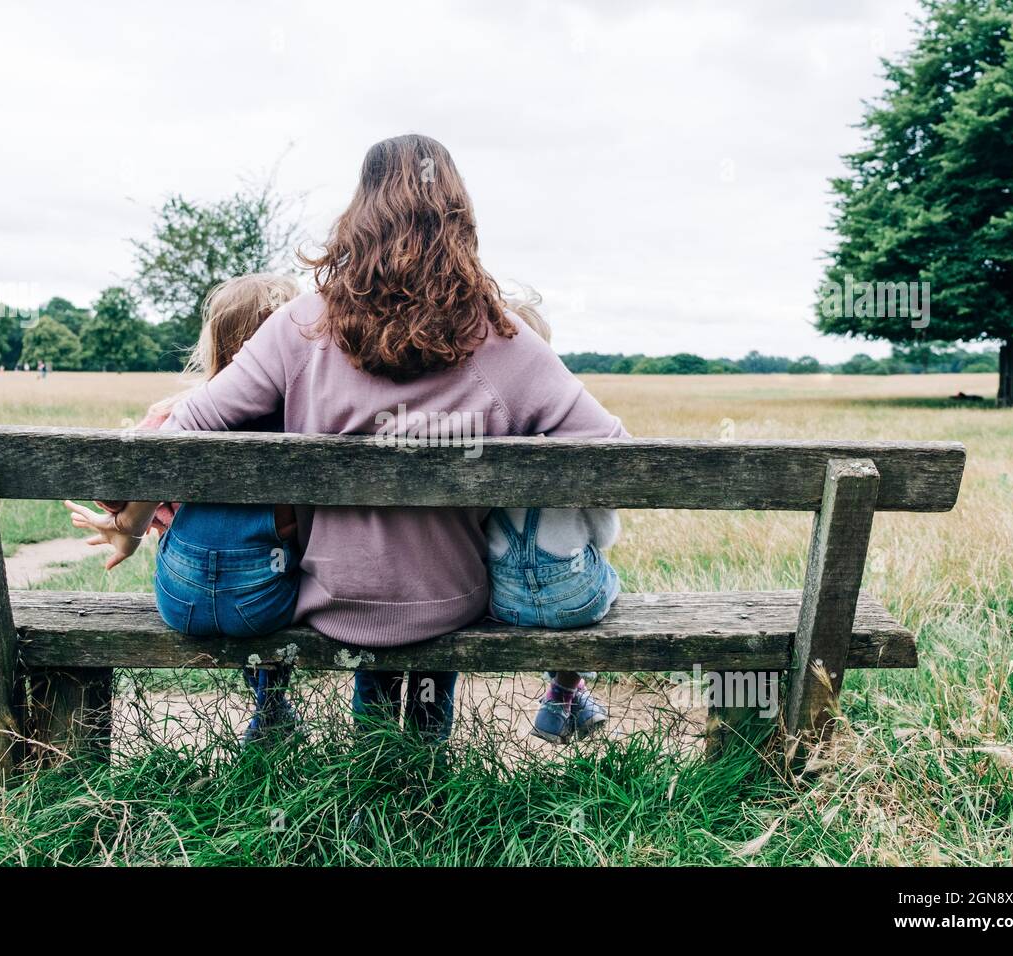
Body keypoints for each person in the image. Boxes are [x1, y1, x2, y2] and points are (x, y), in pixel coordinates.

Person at [80, 135, 626, 742]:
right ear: (459, 221)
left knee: (373, 652)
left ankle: (369, 777)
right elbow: (615, 457)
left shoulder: (298, 326)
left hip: (333, 598)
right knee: (423, 653)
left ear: (358, 217)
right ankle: (423, 780)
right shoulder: (505, 339)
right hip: (450, 599)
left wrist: (126, 519)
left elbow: (186, 430)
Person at [64, 274, 304, 744]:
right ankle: (271, 702)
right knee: (279, 560)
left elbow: (114, 491)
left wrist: (123, 526)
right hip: (266, 604)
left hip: (180, 601)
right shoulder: (303, 422)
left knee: (214, 555)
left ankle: (268, 704)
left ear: (214, 342)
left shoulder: (177, 415)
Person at [489, 289, 618, 743]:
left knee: (534, 592)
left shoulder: (477, 435)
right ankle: (564, 690)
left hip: (504, 604)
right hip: (575, 599)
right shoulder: (576, 440)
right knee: (598, 579)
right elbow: (604, 534)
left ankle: (567, 697)